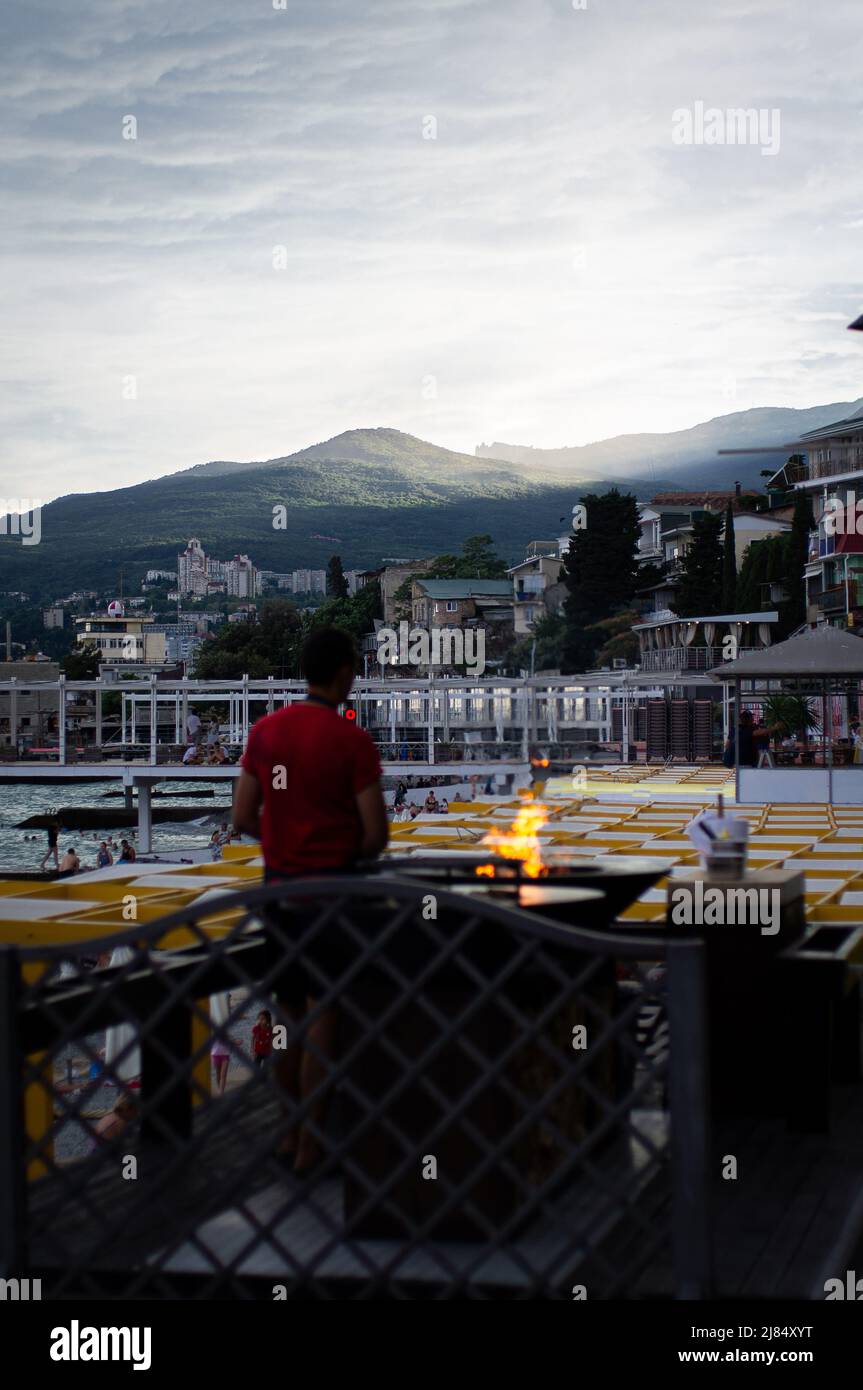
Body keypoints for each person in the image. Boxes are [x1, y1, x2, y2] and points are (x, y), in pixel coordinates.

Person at [232, 627, 388, 1173]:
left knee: (285, 1014)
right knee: (324, 1013)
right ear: (345, 673)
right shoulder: (352, 741)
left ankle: (286, 1129)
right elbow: (375, 834)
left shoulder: (267, 731)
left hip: (280, 891)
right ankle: (313, 1141)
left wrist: (281, 842)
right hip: (333, 897)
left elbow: (241, 817)